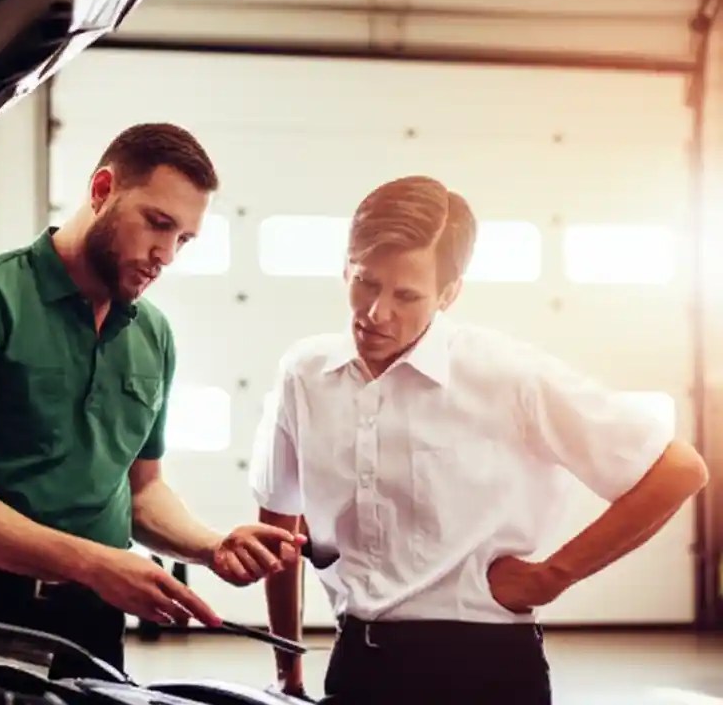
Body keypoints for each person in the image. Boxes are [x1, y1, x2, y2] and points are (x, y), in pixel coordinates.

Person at [249, 175, 709, 704]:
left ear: (449, 294)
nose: (377, 313)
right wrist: (287, 671)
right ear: (344, 268)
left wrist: (549, 578)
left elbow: (678, 469)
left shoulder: (508, 375)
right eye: (365, 282)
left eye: (406, 295)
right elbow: (278, 526)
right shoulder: (304, 374)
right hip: (358, 664)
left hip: (487, 669)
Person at [0, 122, 303, 670]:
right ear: (102, 189)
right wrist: (92, 562)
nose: (166, 255)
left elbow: (141, 492)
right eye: (157, 224)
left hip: (91, 620)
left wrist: (210, 546)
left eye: (183, 239)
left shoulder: (152, 335)